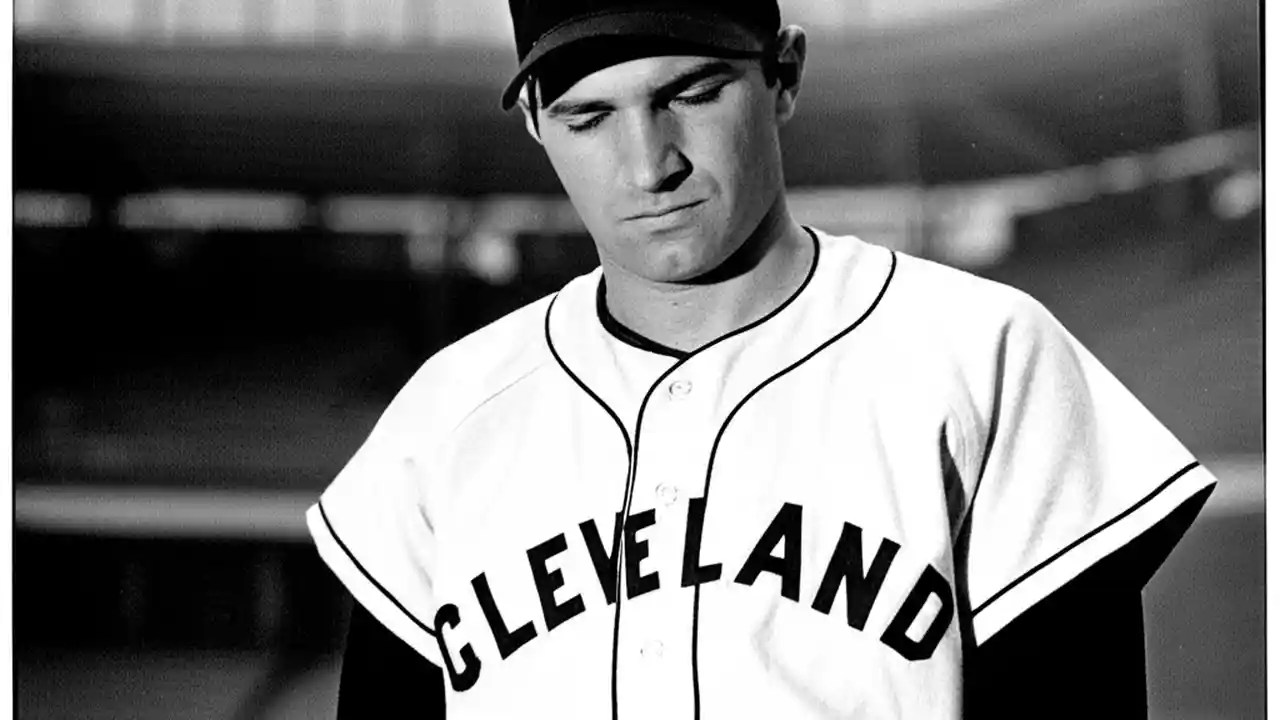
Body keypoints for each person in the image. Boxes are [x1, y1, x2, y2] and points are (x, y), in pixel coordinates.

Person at [307, 1, 1217, 717]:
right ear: (538, 123)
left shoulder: (982, 355)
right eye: (590, 117)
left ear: (783, 73)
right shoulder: (447, 415)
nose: (648, 163)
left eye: (692, 94)